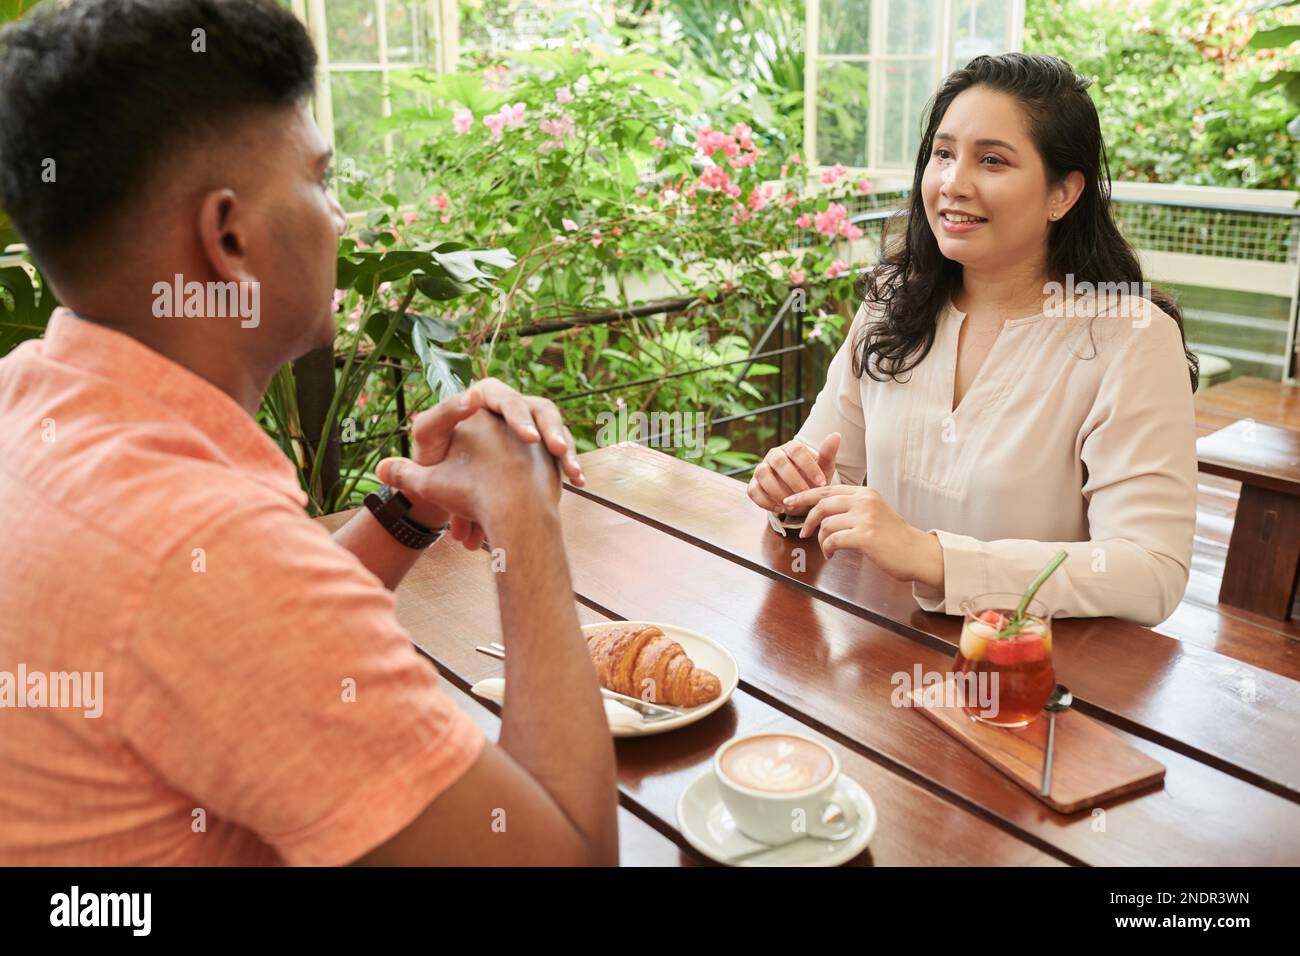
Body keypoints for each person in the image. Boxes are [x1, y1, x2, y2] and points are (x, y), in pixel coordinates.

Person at [0, 0, 617, 866]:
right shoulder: (197, 548)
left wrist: (414, 509)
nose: (340, 221)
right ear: (228, 236)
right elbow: (570, 857)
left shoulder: (31, 402)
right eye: (322, 182)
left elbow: (222, 646)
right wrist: (524, 512)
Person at [748, 53, 1198, 627]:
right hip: (877, 654)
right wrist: (791, 491)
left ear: (1062, 193)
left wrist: (932, 557)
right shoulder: (891, 303)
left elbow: (1149, 572)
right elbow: (824, 478)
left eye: (991, 160)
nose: (953, 183)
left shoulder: (1129, 339)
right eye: (942, 154)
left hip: (1035, 681)